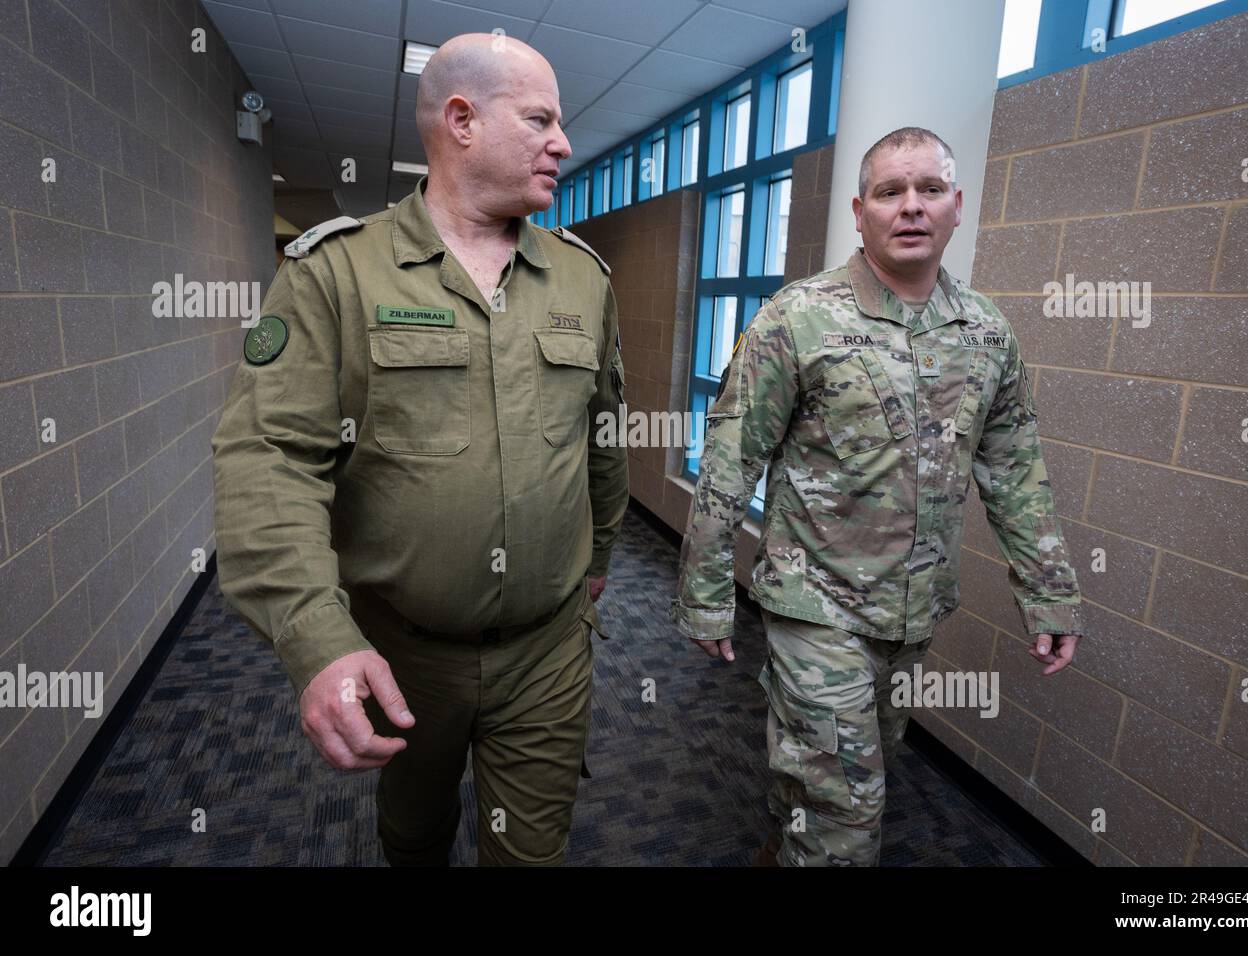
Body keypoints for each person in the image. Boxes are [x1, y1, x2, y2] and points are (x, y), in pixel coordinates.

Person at [211, 33, 628, 866]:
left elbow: (604, 436)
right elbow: (271, 460)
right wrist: (317, 640)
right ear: (462, 121)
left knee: (534, 851)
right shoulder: (337, 272)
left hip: (549, 649)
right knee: (413, 832)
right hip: (403, 652)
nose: (564, 144)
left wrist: (596, 563)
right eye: (542, 120)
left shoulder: (585, 278)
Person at [671, 127, 1083, 867]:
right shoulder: (800, 316)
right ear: (860, 212)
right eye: (891, 192)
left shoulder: (987, 333)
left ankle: (791, 838)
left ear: (957, 207)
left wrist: (1050, 593)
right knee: (849, 811)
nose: (911, 207)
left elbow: (1016, 467)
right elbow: (733, 459)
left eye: (929, 190)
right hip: (815, 604)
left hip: (913, 612)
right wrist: (704, 591)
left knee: (850, 770)